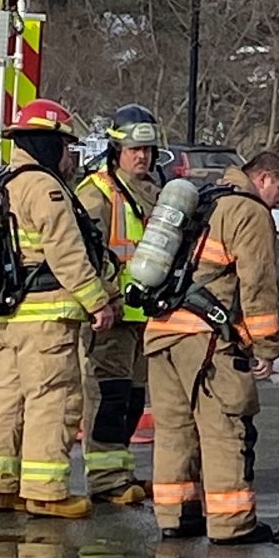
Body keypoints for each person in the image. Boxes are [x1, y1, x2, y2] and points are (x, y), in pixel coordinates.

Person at [0, 99, 119, 520]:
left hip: (9, 314)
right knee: (51, 399)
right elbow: (68, 254)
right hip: (47, 316)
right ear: (46, 143)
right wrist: (98, 301)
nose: (68, 156)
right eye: (63, 146)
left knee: (4, 399)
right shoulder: (45, 187)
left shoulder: (4, 181)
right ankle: (45, 491)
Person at [145, 150, 279, 545]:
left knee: (175, 430)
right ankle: (232, 525)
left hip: (162, 331)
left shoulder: (207, 199)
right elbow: (258, 284)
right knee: (225, 428)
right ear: (264, 178)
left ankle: (176, 515)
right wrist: (266, 346)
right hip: (206, 339)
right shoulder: (249, 213)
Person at [75, 104, 163, 506]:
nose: (141, 157)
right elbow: (84, 255)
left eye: (147, 150)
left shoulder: (153, 192)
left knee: (130, 399)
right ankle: (106, 479)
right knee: (107, 397)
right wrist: (99, 300)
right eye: (133, 150)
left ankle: (120, 470)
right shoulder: (97, 193)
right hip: (110, 316)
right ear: (116, 150)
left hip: (141, 316)